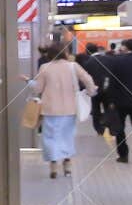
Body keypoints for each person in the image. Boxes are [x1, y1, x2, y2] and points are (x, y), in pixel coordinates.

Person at [28, 43, 96, 178]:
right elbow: (88, 80)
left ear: (49, 54)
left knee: (50, 138)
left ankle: (53, 166)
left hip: (50, 110)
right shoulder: (73, 66)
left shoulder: (45, 67)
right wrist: (90, 92)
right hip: (69, 110)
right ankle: (67, 166)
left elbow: (38, 89)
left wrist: (29, 82)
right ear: (64, 53)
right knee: (67, 137)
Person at [79, 42, 110, 137]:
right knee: (107, 107)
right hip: (107, 89)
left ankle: (99, 130)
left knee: (96, 109)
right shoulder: (107, 60)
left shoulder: (88, 63)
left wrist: (83, 89)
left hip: (94, 90)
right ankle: (106, 121)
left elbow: (85, 77)